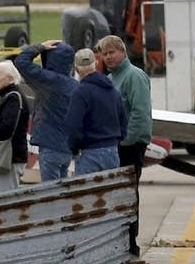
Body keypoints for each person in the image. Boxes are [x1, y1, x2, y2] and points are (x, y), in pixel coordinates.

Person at [14, 40, 78, 182]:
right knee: (62, 191)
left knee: (50, 192)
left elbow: (21, 62)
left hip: (50, 146)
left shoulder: (47, 80)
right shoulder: (74, 84)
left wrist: (39, 47)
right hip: (66, 147)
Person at [96, 35, 151, 181]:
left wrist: (127, 141)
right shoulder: (109, 80)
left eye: (112, 52)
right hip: (114, 145)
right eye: (105, 54)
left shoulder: (135, 76)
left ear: (123, 52)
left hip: (131, 145)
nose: (108, 57)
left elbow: (140, 112)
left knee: (128, 191)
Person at [63, 47, 124, 175]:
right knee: (110, 193)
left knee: (87, 193)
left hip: (89, 152)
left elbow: (73, 125)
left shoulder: (80, 92)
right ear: (96, 64)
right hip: (112, 151)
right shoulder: (113, 91)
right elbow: (124, 122)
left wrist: (74, 148)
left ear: (77, 69)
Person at [0, 59, 30, 193]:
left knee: (6, 196)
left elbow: (7, 128)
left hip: (11, 157)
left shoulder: (13, 98)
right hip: (12, 156)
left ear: (10, 78)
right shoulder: (12, 96)